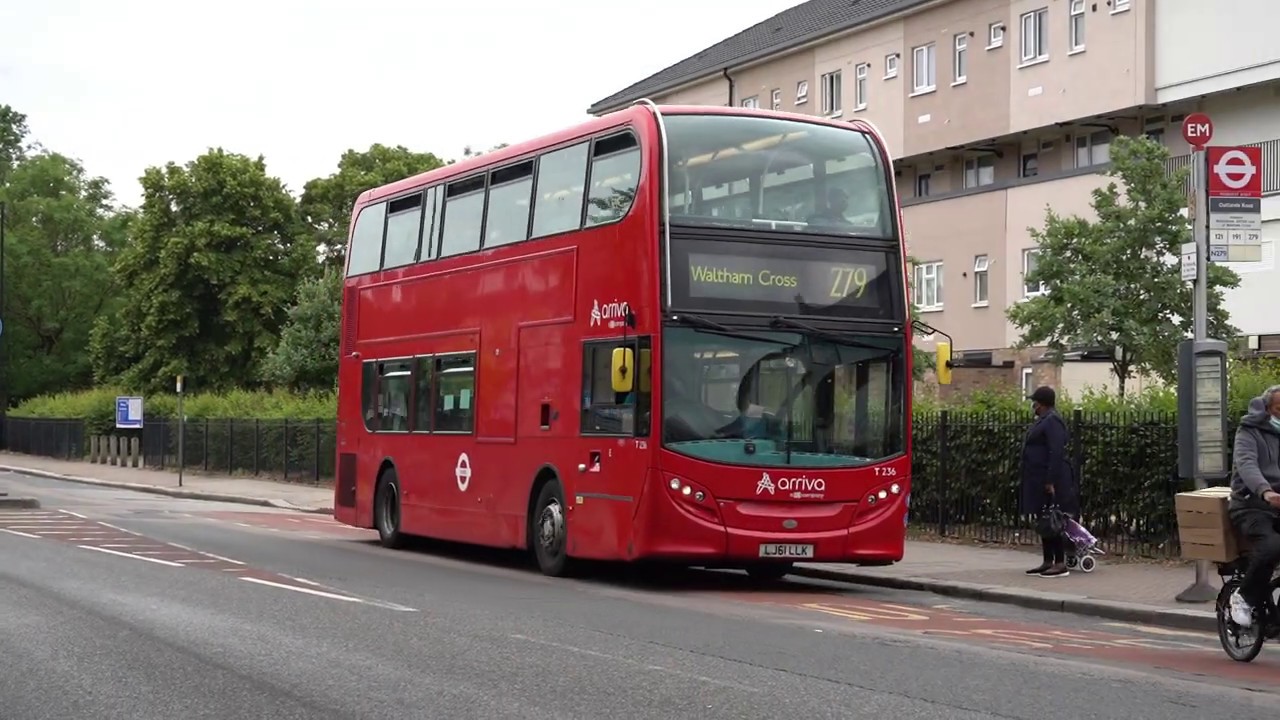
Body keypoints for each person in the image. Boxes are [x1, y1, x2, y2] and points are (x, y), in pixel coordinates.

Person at [1226, 385, 1280, 627]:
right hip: (1251, 505)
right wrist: (1265, 491)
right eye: (1279, 409)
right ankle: (1244, 597)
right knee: (1272, 545)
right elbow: (1247, 465)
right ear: (1267, 409)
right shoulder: (1249, 432)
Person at [1019, 385, 1078, 578]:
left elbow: (1056, 451)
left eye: (1035, 402)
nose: (1033, 405)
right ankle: (1047, 560)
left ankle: (1060, 562)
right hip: (1037, 478)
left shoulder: (1053, 421)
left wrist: (1051, 480)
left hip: (1051, 479)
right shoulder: (1043, 420)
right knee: (1043, 519)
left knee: (1054, 519)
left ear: (1042, 403)